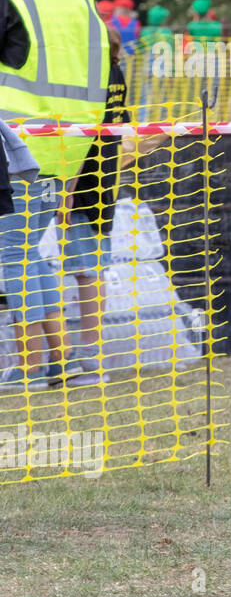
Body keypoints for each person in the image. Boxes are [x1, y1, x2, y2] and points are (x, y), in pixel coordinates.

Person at [0, 0, 111, 389]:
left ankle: (30, 368)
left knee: (12, 256)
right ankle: (61, 360)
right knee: (27, 254)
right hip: (67, 155)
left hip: (15, 150)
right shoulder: (87, 6)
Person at [60, 24, 131, 388]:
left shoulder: (89, 77)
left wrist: (67, 190)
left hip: (84, 180)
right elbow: (125, 129)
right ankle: (93, 352)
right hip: (107, 181)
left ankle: (85, 357)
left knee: (84, 268)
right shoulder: (116, 72)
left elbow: (80, 137)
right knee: (95, 268)